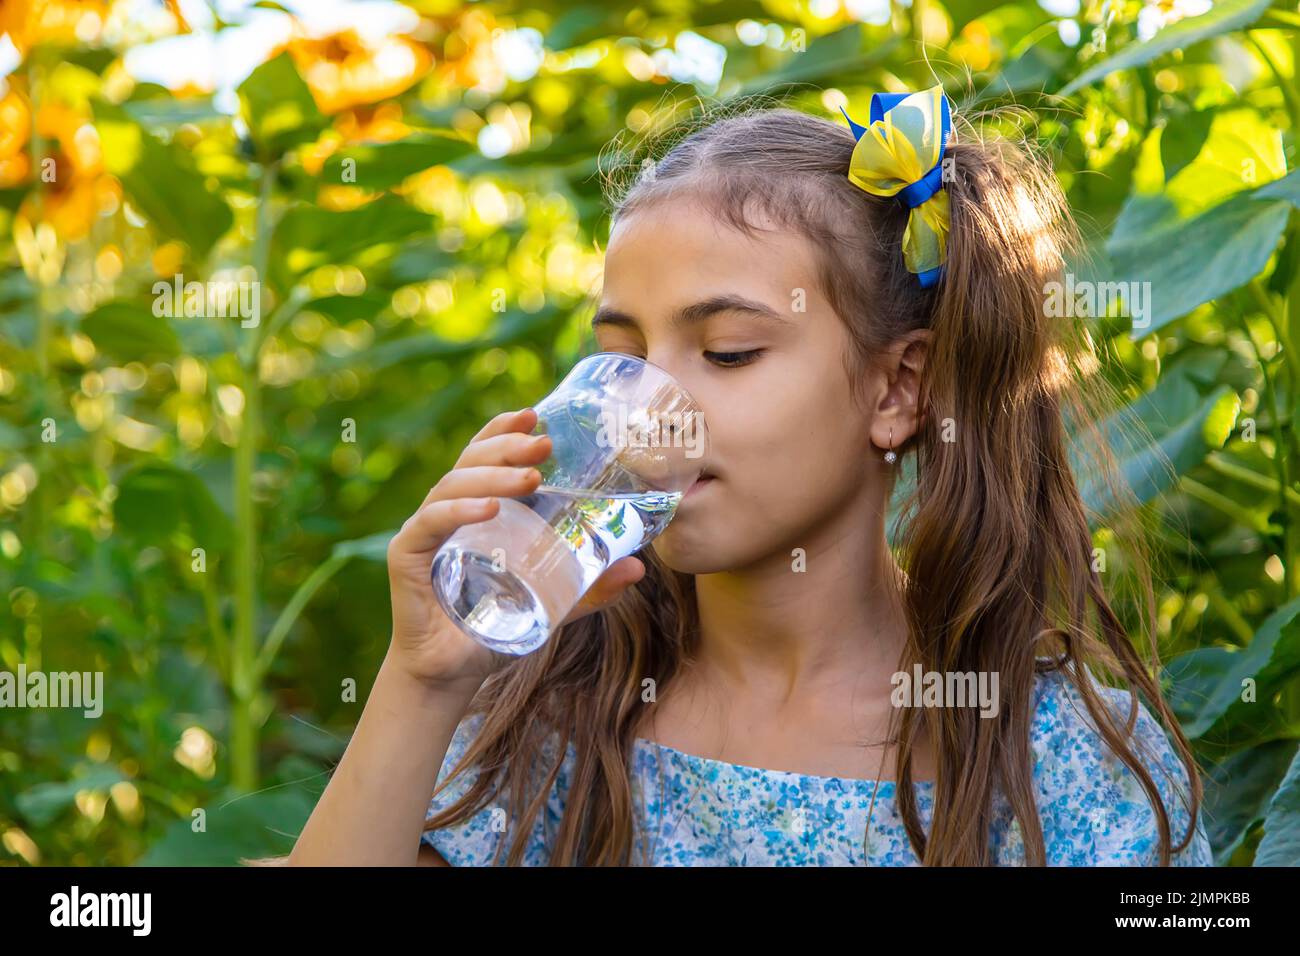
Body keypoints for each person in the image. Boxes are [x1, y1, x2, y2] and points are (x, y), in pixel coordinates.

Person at [287, 86, 1214, 866]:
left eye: (727, 352)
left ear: (897, 388)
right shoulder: (541, 719)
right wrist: (421, 683)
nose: (650, 409)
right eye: (622, 356)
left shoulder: (1063, 765)